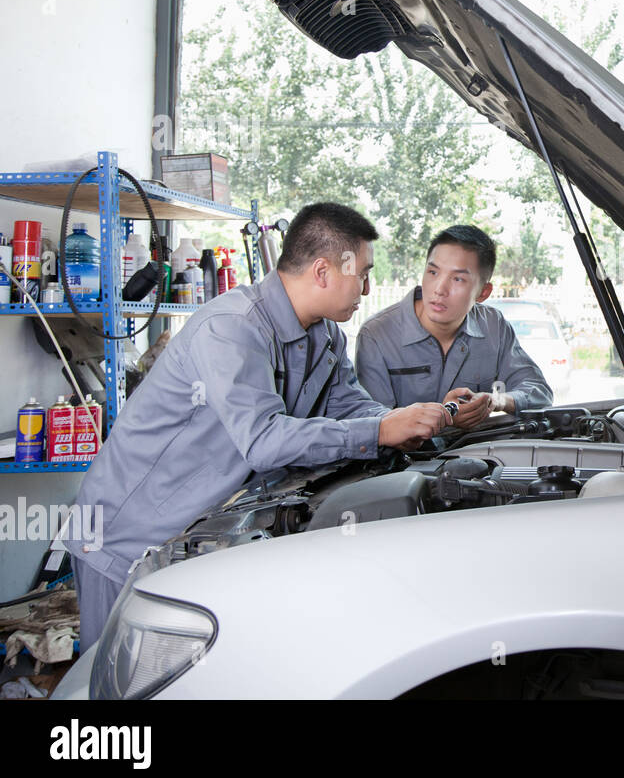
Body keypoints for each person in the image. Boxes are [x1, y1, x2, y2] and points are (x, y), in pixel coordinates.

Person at [68, 203, 454, 648]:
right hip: (123, 537)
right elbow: (264, 441)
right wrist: (380, 431)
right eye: (362, 274)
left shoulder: (325, 335)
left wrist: (421, 419)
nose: (366, 288)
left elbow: (349, 406)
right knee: (117, 683)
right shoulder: (232, 328)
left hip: (191, 534)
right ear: (324, 271)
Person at [354, 224, 552, 429]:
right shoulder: (377, 335)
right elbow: (375, 426)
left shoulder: (494, 326)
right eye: (432, 272)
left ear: (483, 292)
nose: (439, 289)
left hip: (477, 454)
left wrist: (495, 401)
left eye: (458, 279)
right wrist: (445, 417)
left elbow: (539, 393)